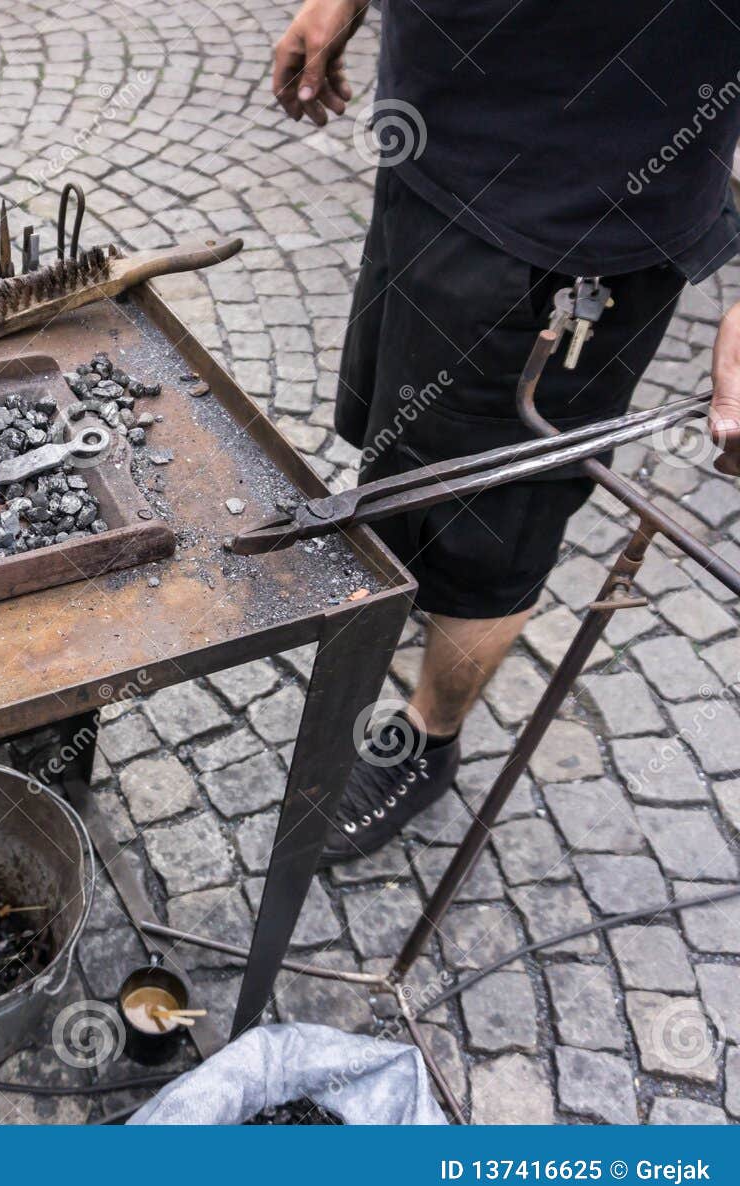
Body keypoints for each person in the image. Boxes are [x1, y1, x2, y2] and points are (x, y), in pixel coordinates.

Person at [270, 1, 740, 863]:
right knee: (396, 437)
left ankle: (427, 736)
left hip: (575, 230)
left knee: (492, 534)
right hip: (432, 153)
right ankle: (405, 587)